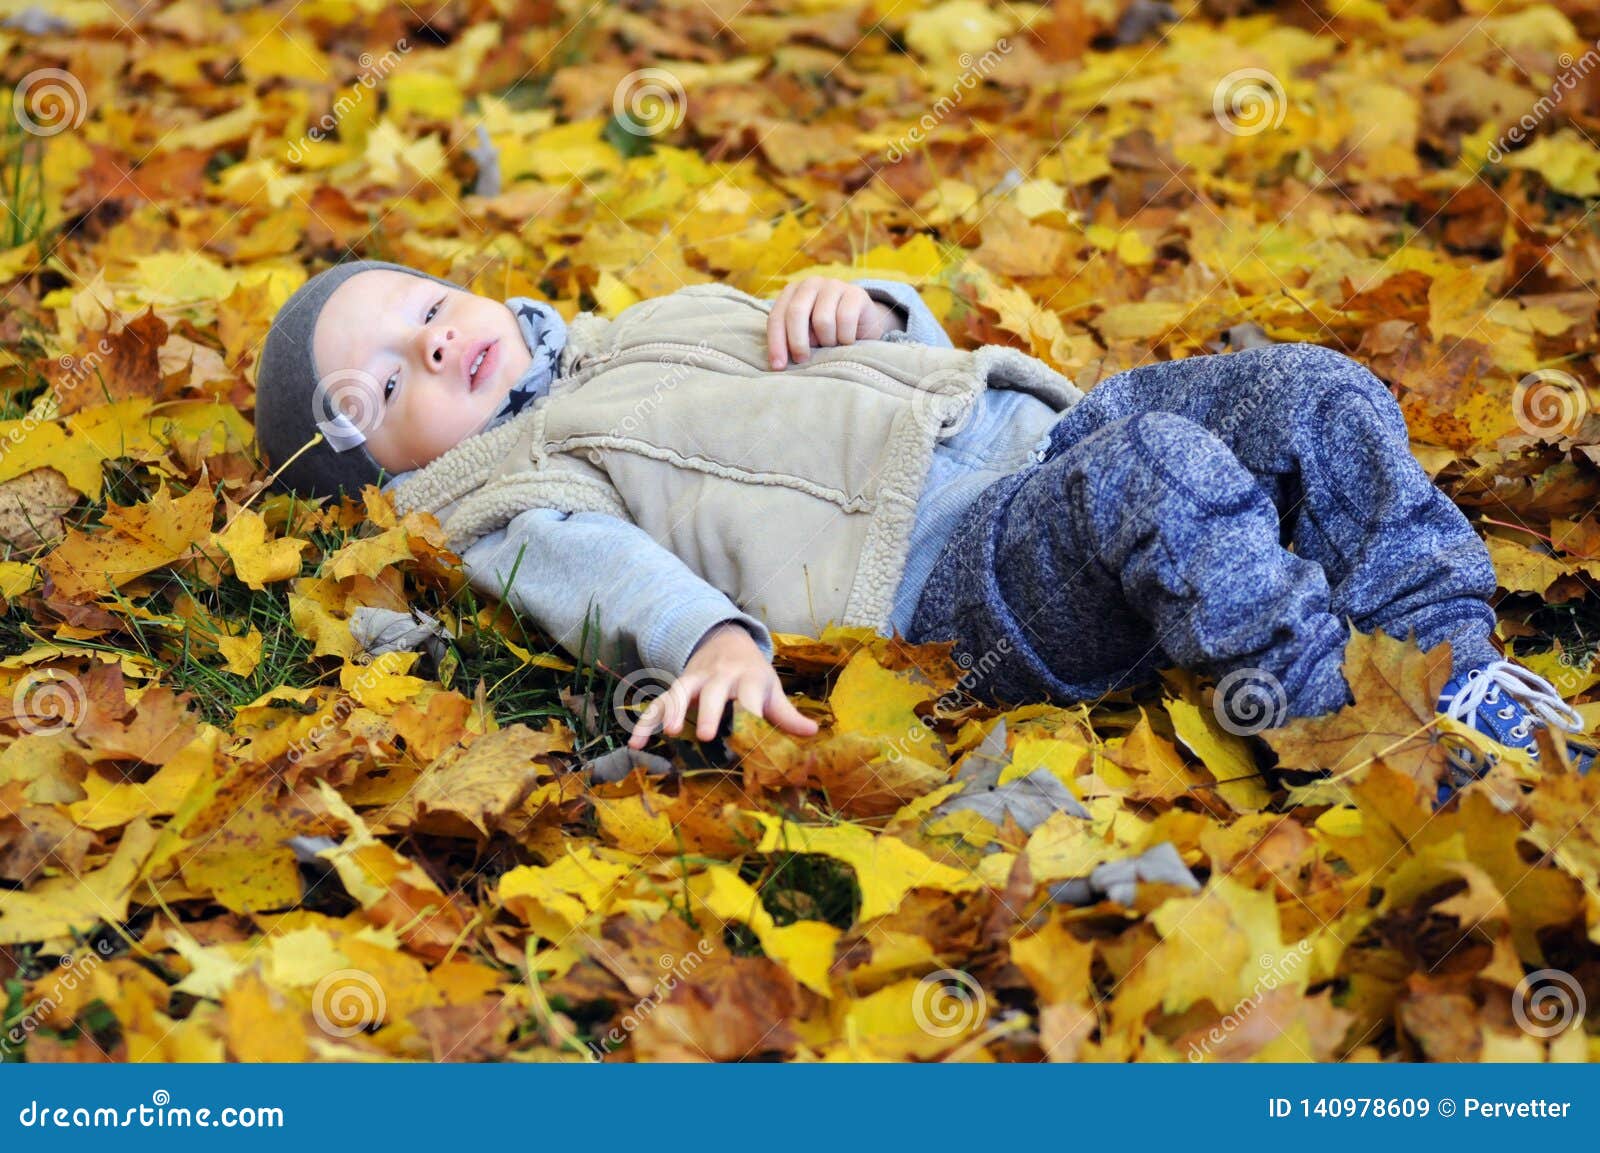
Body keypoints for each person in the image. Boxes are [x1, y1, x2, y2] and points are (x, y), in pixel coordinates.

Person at [253, 259, 1595, 804]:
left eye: (420, 301)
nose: (429, 336)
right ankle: (1351, 734)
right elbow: (596, 573)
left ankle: (1445, 653)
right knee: (1163, 480)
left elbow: (886, 353)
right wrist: (707, 635)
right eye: (382, 384)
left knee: (1311, 390)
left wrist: (871, 310)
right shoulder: (503, 492)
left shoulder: (649, 320)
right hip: (954, 575)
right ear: (379, 480)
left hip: (1031, 430)